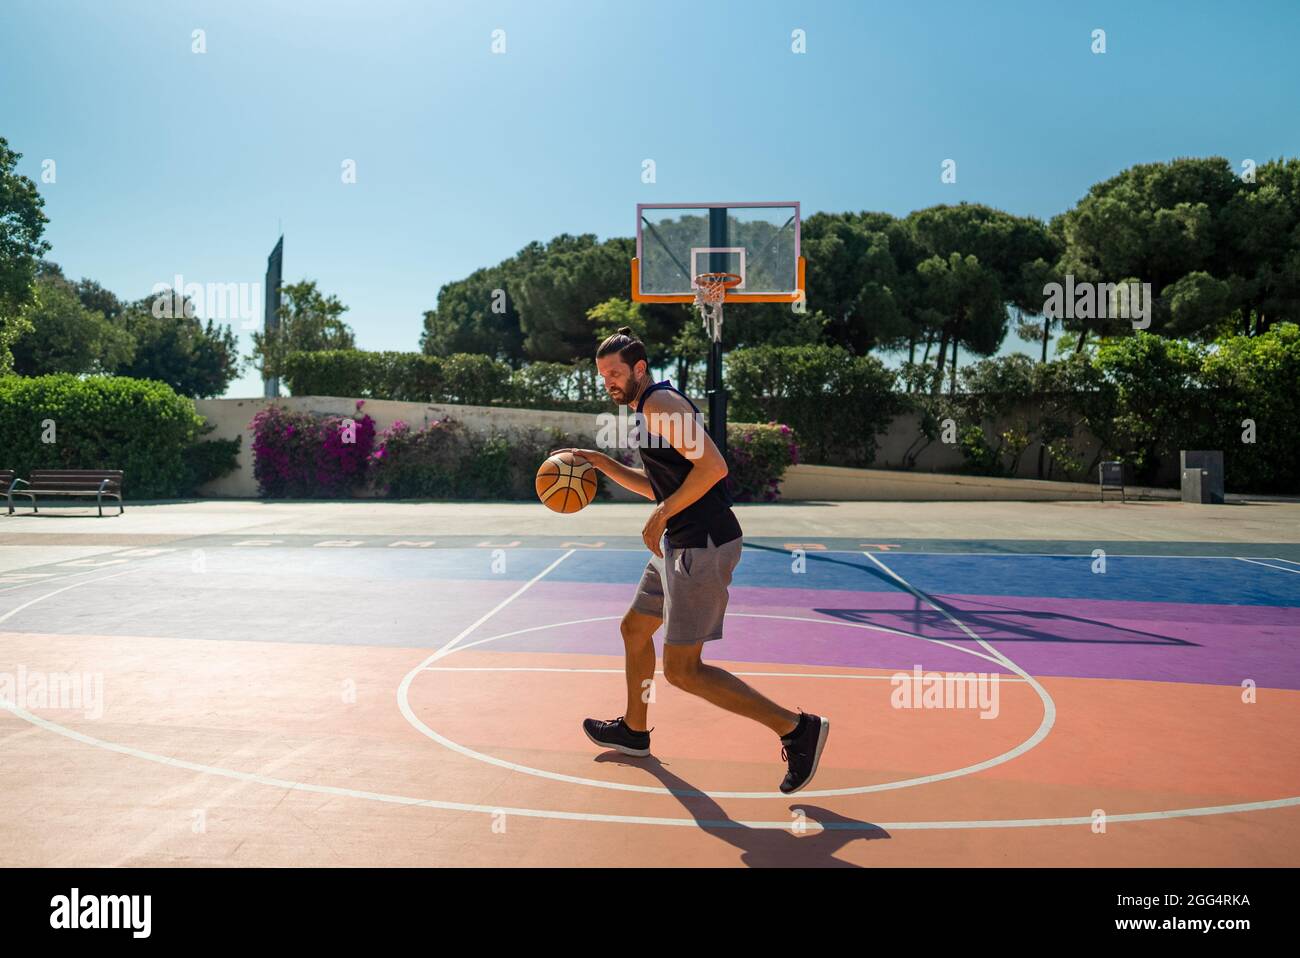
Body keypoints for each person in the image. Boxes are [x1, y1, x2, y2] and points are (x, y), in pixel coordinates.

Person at [552, 326, 829, 794]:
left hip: (701, 544)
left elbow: (714, 468)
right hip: (678, 543)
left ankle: (797, 729)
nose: (609, 383)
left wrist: (661, 515)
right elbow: (660, 486)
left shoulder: (660, 405)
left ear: (640, 368)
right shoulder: (646, 409)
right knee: (635, 628)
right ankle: (634, 731)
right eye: (603, 376)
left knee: (683, 670)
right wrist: (600, 462)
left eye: (615, 373)